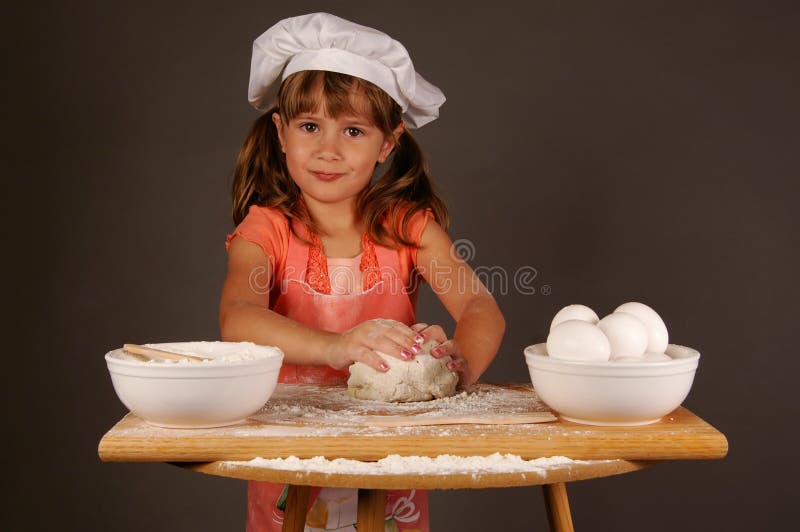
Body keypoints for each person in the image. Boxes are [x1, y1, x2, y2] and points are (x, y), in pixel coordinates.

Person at [219, 12, 505, 532]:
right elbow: (238, 318)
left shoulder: (408, 228)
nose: (328, 150)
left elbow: (480, 307)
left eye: (353, 130)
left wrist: (458, 365)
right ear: (281, 133)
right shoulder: (266, 231)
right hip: (292, 458)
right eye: (310, 127)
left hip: (390, 459)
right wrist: (338, 346)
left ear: (388, 143)